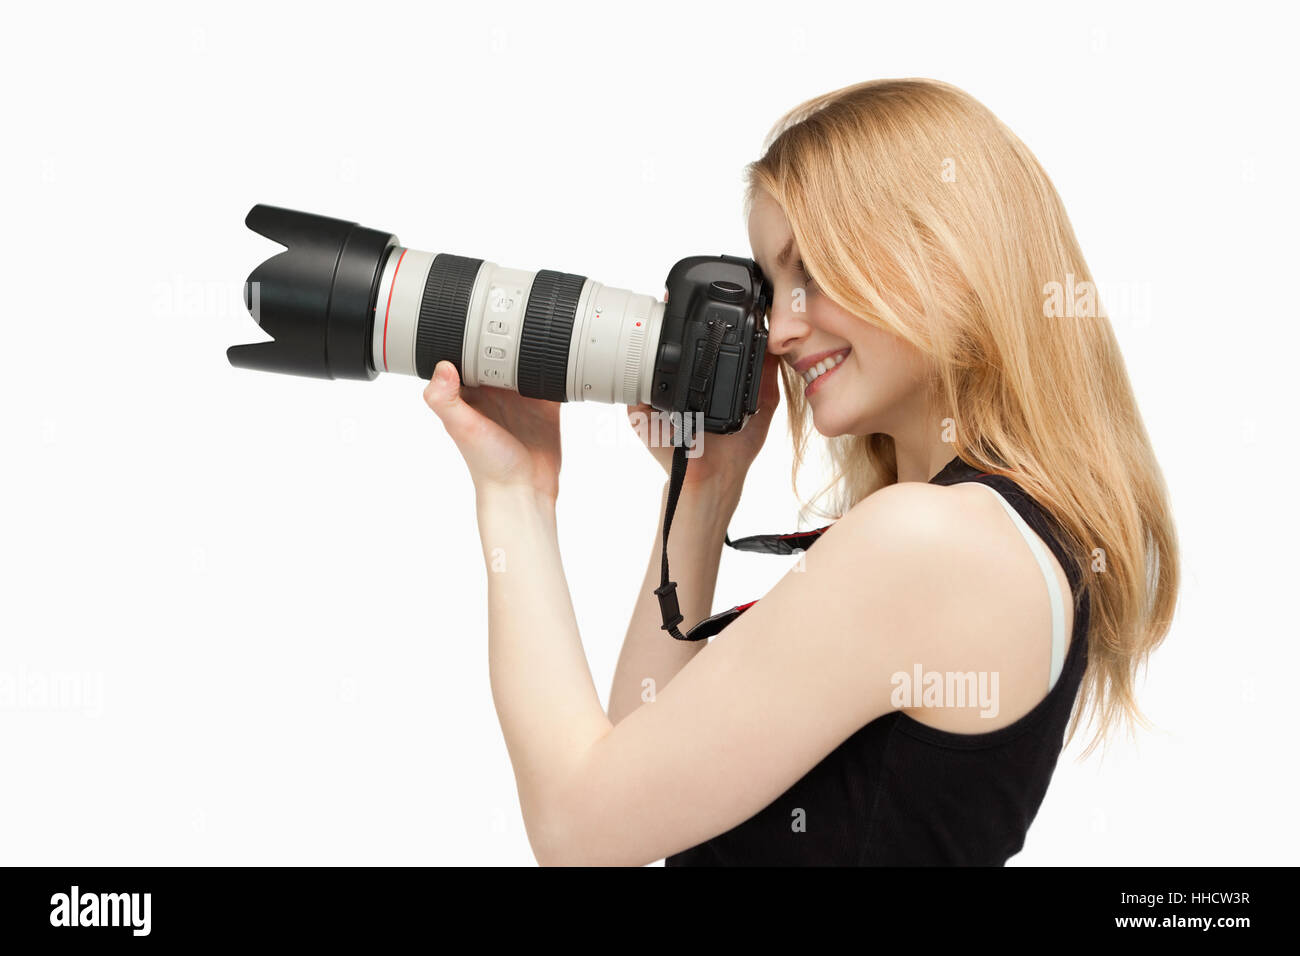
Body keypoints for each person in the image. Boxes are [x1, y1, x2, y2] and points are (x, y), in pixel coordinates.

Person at [422, 78, 1179, 866]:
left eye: (811, 272)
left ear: (947, 254)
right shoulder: (990, 531)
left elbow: (578, 832)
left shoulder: (931, 541)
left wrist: (515, 492)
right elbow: (636, 771)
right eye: (773, 287)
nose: (779, 330)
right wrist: (706, 491)